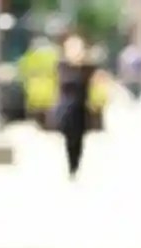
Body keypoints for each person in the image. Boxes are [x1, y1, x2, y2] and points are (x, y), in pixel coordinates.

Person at [55, 34, 96, 178]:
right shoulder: (62, 65)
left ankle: (75, 166)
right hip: (67, 108)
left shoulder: (87, 68)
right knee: (69, 139)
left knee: (79, 139)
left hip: (81, 109)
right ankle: (71, 166)